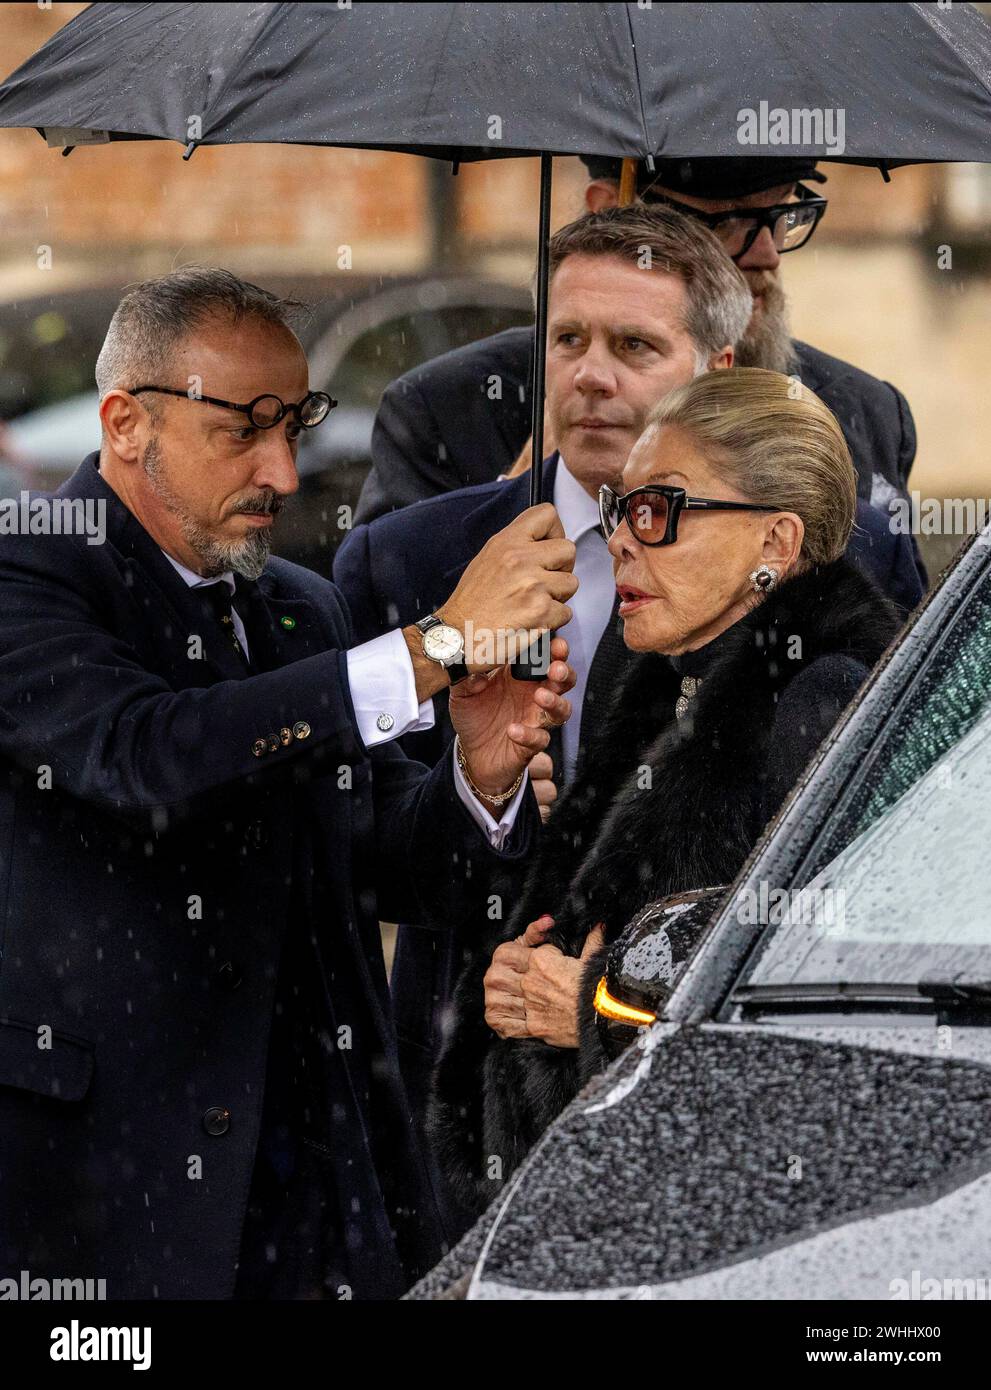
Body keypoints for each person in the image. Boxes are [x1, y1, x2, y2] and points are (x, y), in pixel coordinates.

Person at [0, 268, 580, 1301]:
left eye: (298, 422)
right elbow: (151, 757)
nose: (282, 467)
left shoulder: (300, 607)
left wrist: (475, 779)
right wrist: (431, 643)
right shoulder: (32, 570)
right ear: (127, 422)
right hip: (102, 1193)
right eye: (245, 428)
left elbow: (380, 858)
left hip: (320, 1190)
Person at [333, 207, 924, 1156]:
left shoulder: (830, 586)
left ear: (715, 371)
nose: (590, 375)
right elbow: (347, 844)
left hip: (688, 1148)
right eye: (565, 338)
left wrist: (610, 1009)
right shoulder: (409, 557)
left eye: (635, 344)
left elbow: (854, 964)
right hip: (464, 1109)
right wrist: (479, 792)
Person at [430, 368, 903, 1215]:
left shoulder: (821, 702)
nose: (618, 539)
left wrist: (593, 1011)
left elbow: (836, 1014)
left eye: (658, 512)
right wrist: (518, 973)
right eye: (619, 508)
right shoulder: (656, 677)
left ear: (775, 543)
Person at [354, 155, 921, 543]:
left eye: (782, 216)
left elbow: (899, 660)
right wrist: (528, 481)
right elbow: (392, 666)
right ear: (609, 209)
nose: (767, 254)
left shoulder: (860, 412)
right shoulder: (445, 411)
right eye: (727, 223)